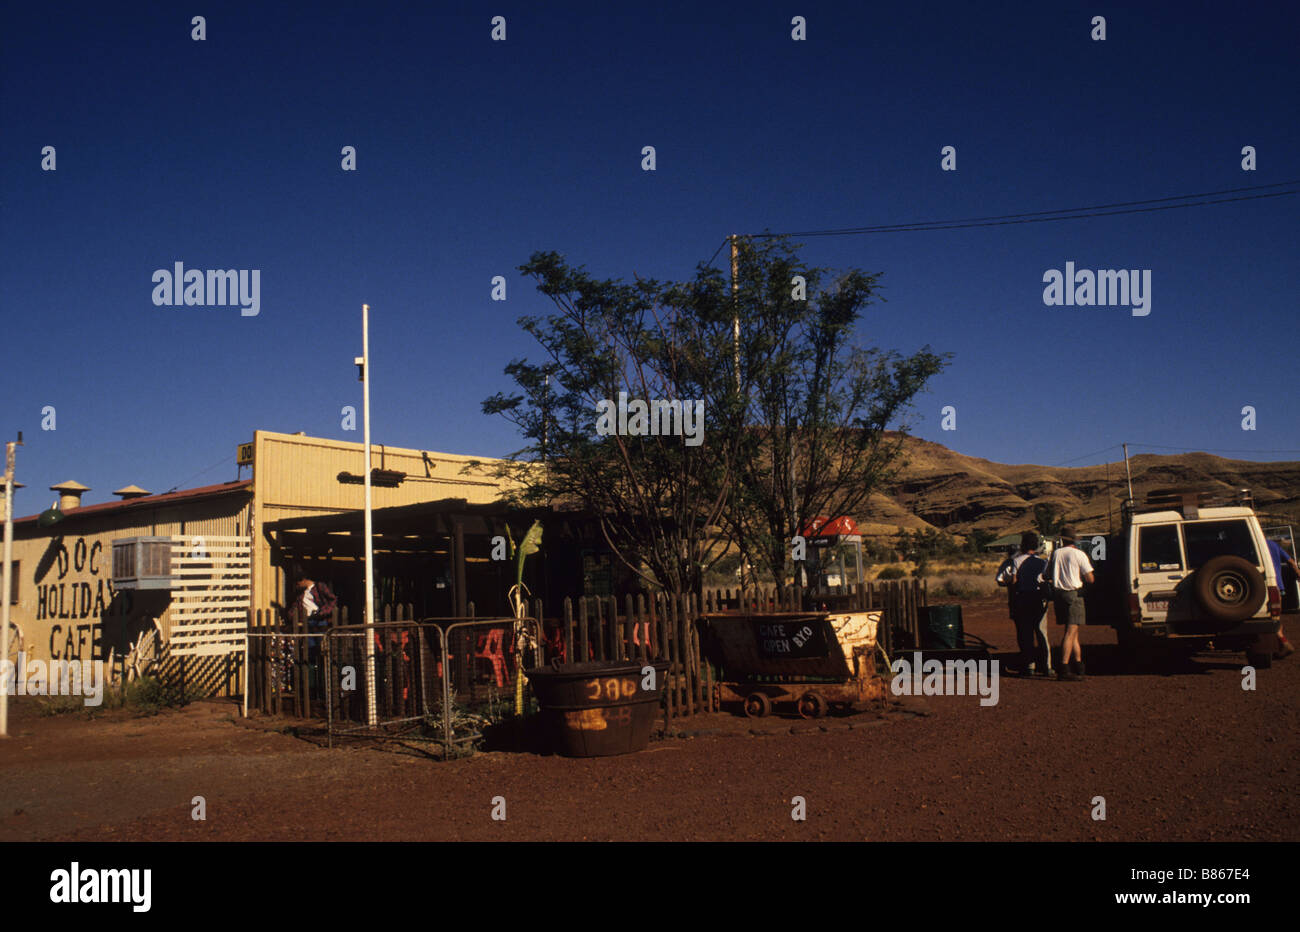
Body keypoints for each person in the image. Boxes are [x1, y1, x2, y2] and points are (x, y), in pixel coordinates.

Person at [1047, 527, 1094, 681]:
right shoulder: (1079, 554)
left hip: (1058, 595)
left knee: (1072, 631)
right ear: (1074, 540)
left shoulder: (1055, 553)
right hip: (1073, 594)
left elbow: (1046, 574)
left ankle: (1079, 664)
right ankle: (1064, 667)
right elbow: (1090, 578)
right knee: (1070, 632)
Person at [1265, 538, 1298, 659]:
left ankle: (1283, 643)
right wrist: (1298, 575)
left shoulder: (1250, 543)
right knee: (1276, 616)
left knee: (1267, 618)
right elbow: (1291, 562)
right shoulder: (1273, 544)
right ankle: (1280, 646)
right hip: (1278, 586)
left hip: (1263, 586)